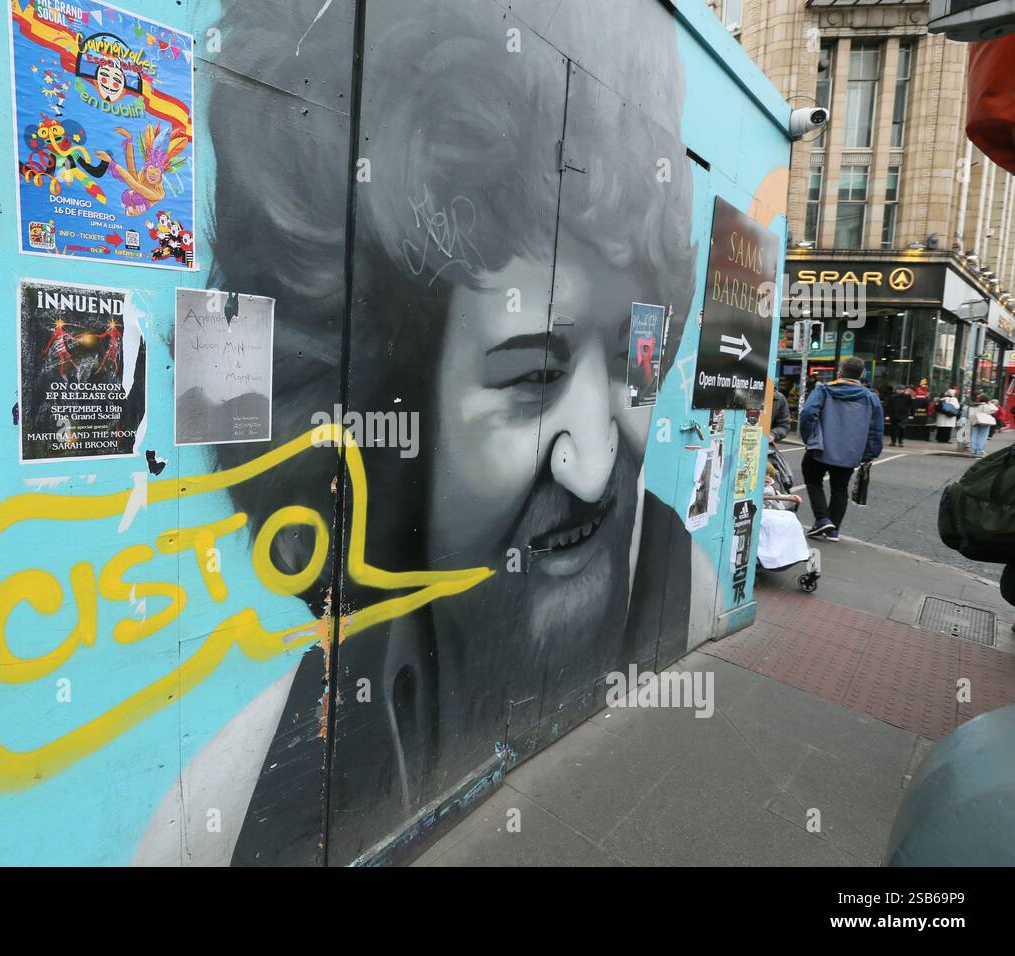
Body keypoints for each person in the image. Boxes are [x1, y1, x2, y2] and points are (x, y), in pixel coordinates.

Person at [137, 0, 713, 865]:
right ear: (386, 411)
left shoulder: (684, 587)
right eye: (531, 378)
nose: (594, 465)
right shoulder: (229, 808)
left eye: (634, 359)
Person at [798, 356, 884, 542]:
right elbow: (876, 430)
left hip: (820, 448)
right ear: (861, 375)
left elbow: (807, 413)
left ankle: (822, 519)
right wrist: (869, 454)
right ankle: (833, 530)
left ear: (839, 372)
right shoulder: (871, 398)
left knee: (813, 479)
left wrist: (809, 437)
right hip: (850, 452)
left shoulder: (823, 390)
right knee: (840, 489)